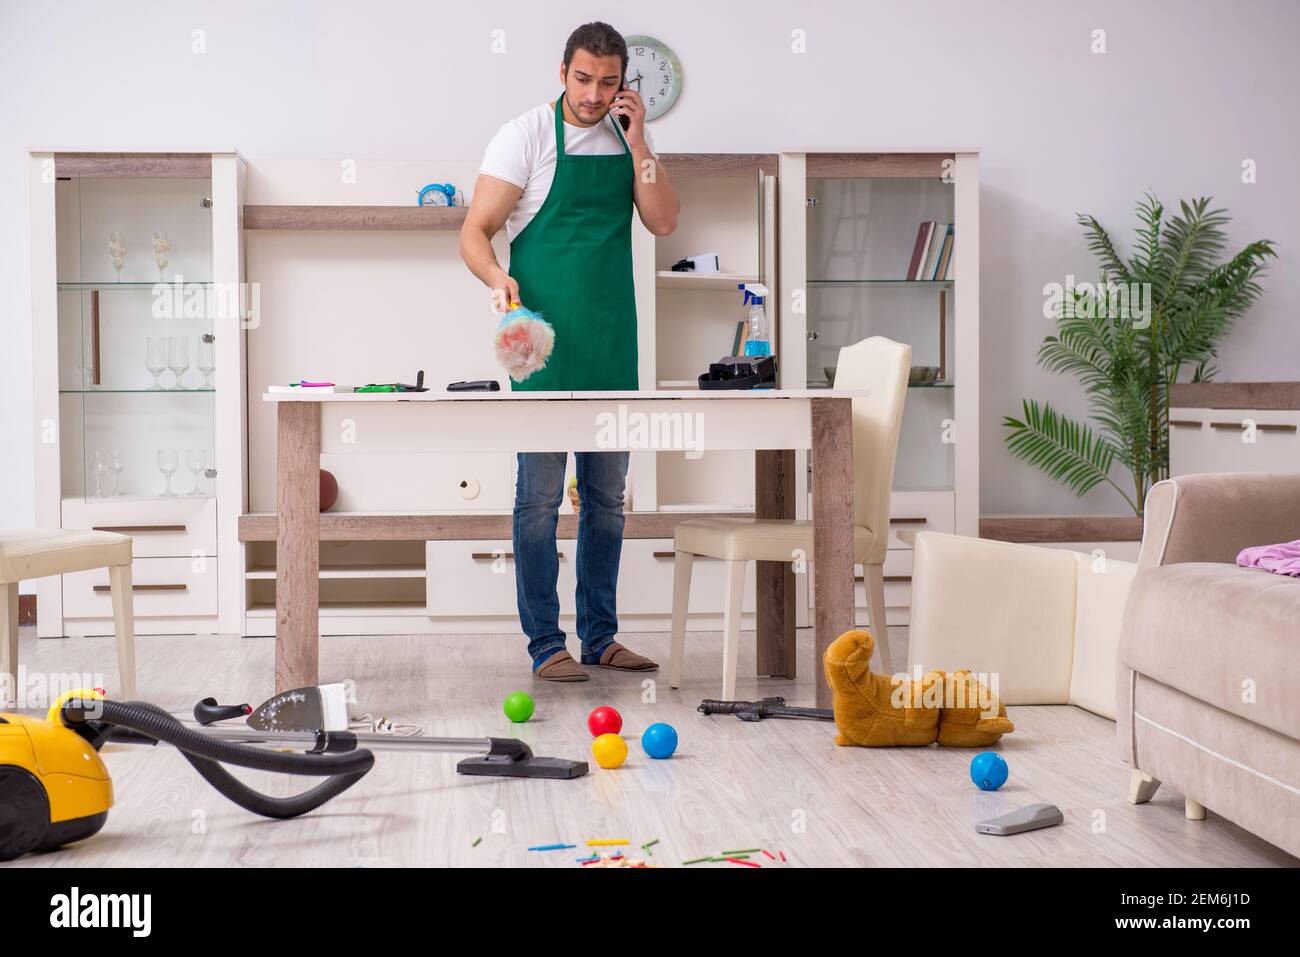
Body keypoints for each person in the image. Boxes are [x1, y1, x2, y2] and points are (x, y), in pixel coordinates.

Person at [460, 22, 680, 681]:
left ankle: (601, 636)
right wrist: (498, 279)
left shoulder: (628, 137)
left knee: (608, 499)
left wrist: (640, 142)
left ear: (623, 84)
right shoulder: (525, 135)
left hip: (613, 346)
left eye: (607, 82)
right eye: (582, 79)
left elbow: (664, 220)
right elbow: (474, 230)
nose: (593, 94)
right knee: (539, 498)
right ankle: (544, 644)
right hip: (543, 350)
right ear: (563, 72)